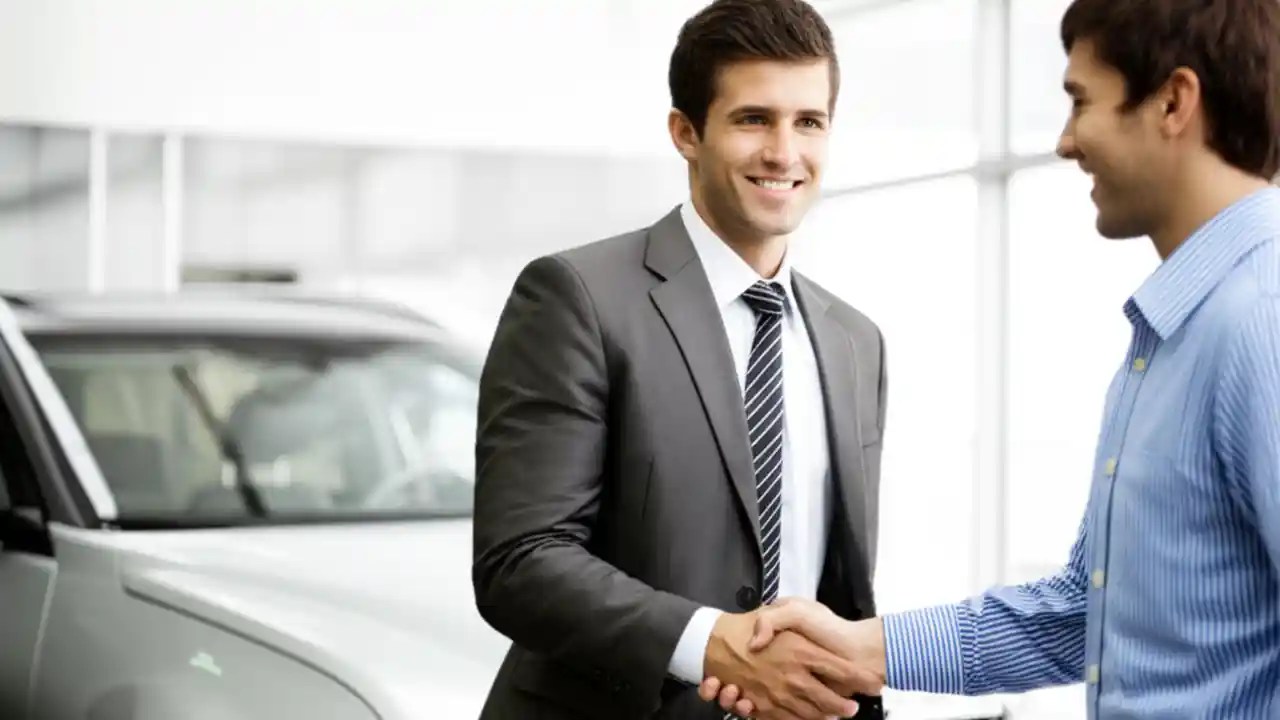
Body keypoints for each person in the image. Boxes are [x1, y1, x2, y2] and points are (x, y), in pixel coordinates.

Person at [700, 0, 1280, 717]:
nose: (1066, 142)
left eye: (1080, 102)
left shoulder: (1262, 317)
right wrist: (858, 649)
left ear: (1173, 102)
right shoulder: (1174, 330)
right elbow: (1083, 611)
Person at [470, 0, 888, 718]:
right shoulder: (578, 298)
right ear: (686, 133)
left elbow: (839, 588)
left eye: (808, 122)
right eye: (753, 119)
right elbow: (521, 560)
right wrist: (709, 642)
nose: (784, 153)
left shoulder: (855, 342)